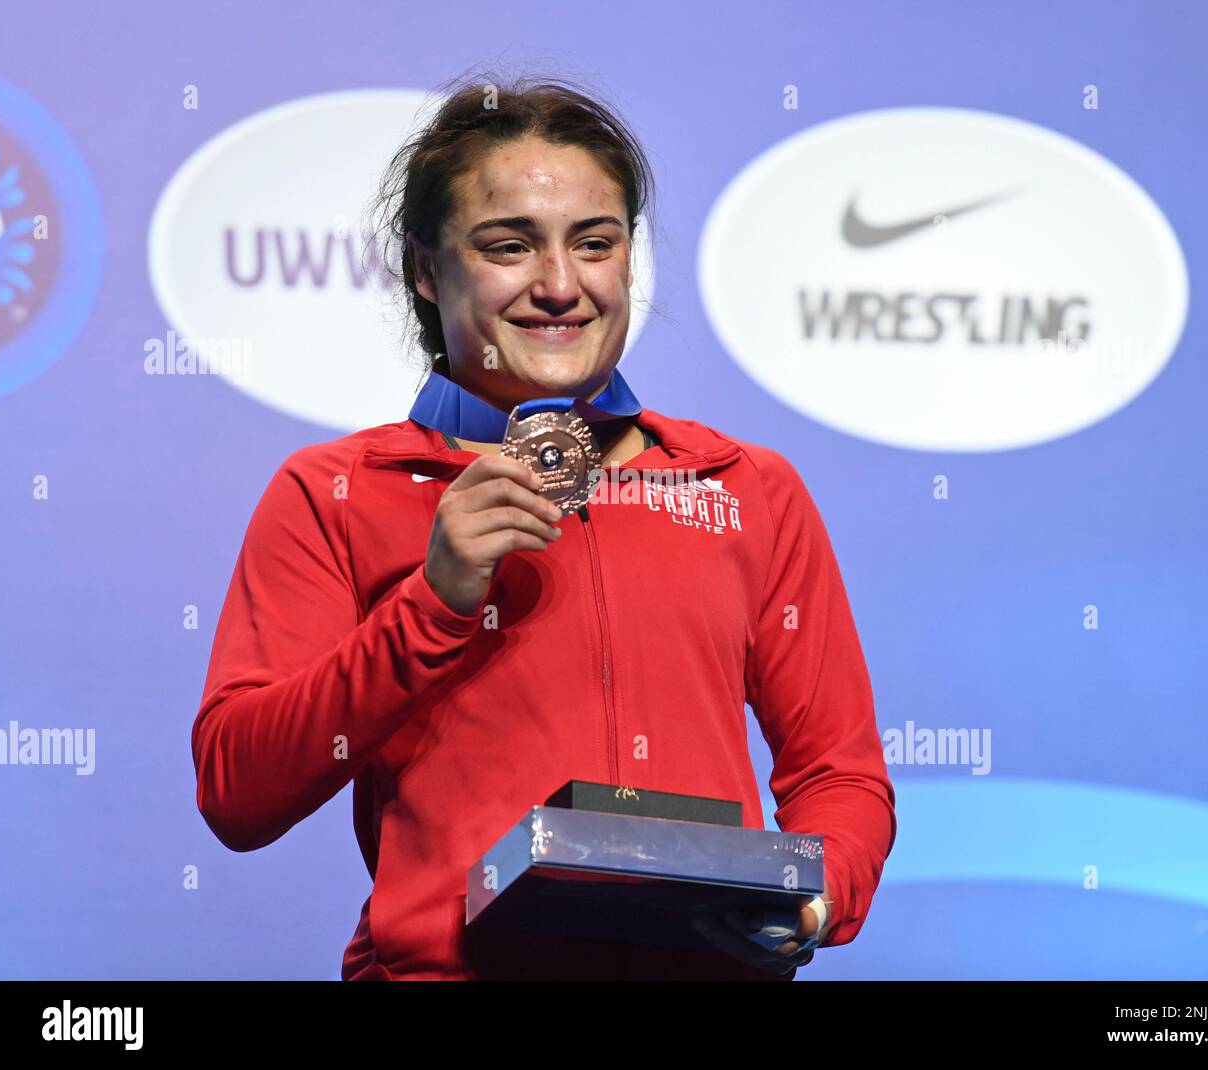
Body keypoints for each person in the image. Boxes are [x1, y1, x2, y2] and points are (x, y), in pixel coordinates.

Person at [191, 73, 896, 981]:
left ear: (629, 261)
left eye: (594, 244)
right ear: (423, 266)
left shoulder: (745, 486)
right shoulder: (335, 490)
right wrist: (432, 604)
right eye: (509, 246)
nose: (561, 286)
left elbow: (839, 772)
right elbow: (238, 794)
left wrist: (817, 891)